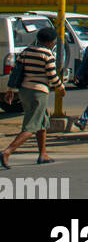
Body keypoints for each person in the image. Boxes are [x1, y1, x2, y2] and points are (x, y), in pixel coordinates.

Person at [1, 27, 65, 167]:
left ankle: (43, 154)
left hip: (24, 91)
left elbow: (16, 72)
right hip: (38, 92)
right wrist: (61, 87)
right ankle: (7, 151)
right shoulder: (47, 55)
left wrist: (11, 89)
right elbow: (52, 77)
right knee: (30, 127)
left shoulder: (26, 51)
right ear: (50, 42)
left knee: (42, 122)